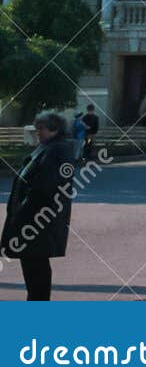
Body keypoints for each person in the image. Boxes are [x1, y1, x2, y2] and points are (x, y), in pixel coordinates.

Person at [3, 112, 75, 300]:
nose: (38, 133)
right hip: (33, 218)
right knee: (34, 271)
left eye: (41, 129)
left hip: (38, 220)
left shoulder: (57, 149)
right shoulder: (48, 148)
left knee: (37, 272)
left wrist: (21, 211)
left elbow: (44, 187)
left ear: (54, 128)